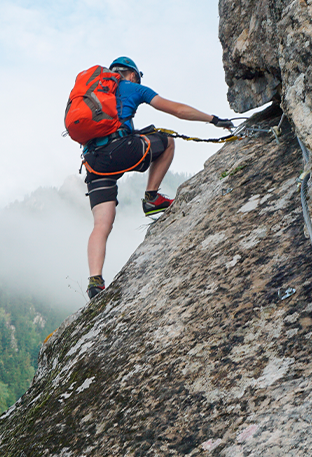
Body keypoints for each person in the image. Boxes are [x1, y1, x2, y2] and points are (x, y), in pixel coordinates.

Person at [83, 56, 232, 299]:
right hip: (120, 151)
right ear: (132, 74)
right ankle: (151, 197)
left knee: (101, 225)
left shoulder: (95, 95)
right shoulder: (133, 87)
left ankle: (95, 282)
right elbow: (178, 111)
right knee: (167, 140)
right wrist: (213, 119)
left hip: (93, 162)